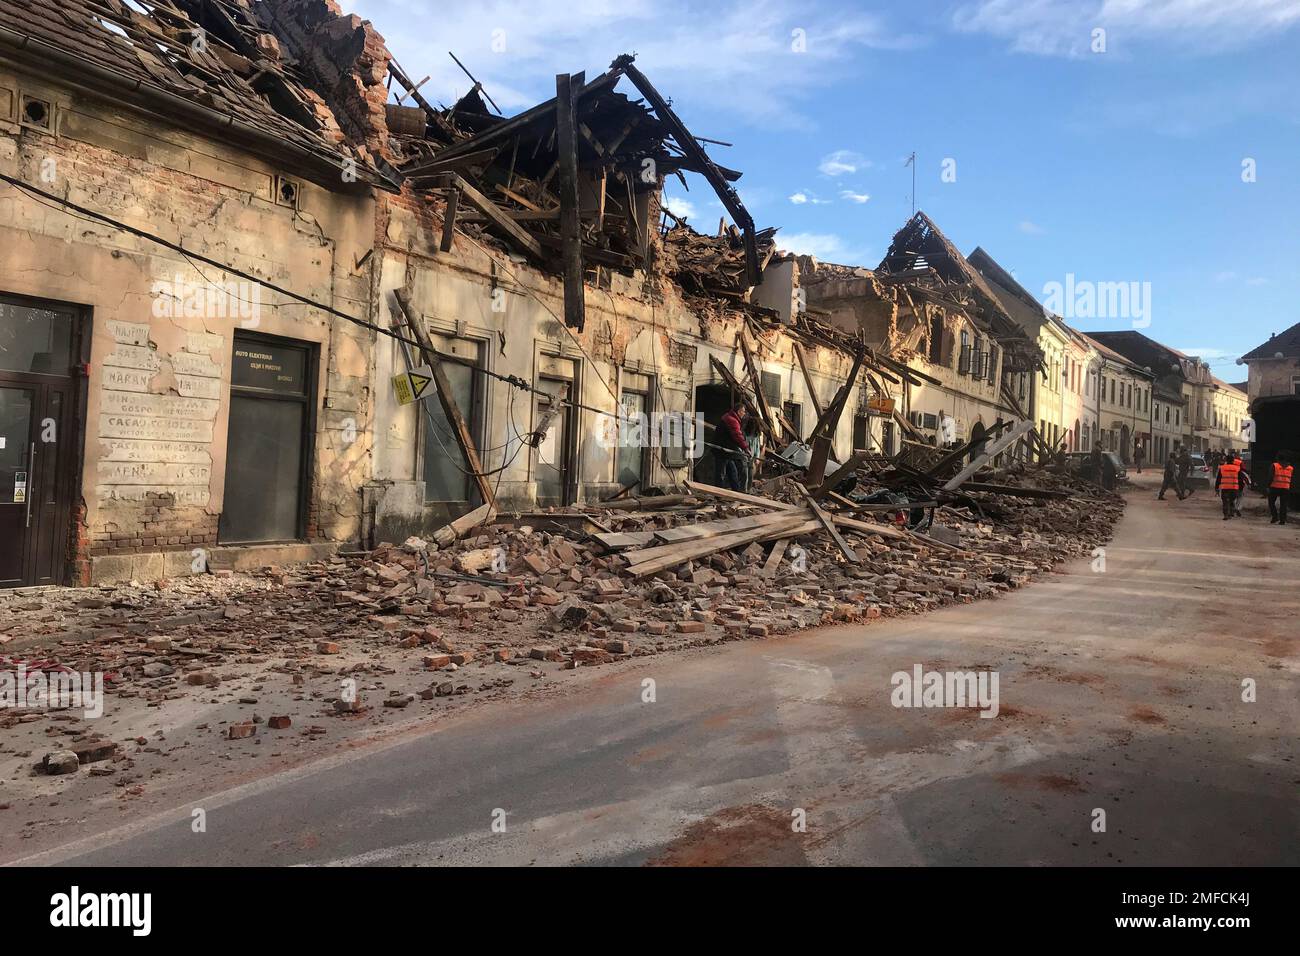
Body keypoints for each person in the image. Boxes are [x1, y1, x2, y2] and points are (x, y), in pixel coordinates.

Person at [716, 404, 750, 492]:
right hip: (721, 450)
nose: (744, 413)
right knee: (721, 474)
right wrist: (746, 448)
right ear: (739, 411)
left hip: (727, 451)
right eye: (743, 411)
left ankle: (736, 493)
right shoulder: (731, 420)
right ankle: (719, 495)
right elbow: (737, 436)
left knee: (732, 472)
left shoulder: (731, 418)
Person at [1215, 450, 1241, 520]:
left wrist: (1216, 488)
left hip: (1225, 488)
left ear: (1226, 460)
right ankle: (1231, 512)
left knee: (1225, 501)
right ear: (1233, 461)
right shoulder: (1237, 468)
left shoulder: (1222, 468)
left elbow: (1218, 479)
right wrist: (1240, 488)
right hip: (1234, 488)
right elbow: (1240, 479)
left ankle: (1226, 515)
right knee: (1231, 501)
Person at [1268, 453, 1293, 525]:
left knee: (1271, 503)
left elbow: (1271, 476)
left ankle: (1275, 516)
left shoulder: (1274, 466)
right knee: (1283, 505)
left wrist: (1268, 486)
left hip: (1274, 487)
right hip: (1285, 488)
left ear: (1278, 458)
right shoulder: (1290, 468)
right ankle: (1282, 520)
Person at [740, 412, 762, 492]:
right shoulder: (744, 434)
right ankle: (743, 490)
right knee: (744, 473)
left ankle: (748, 490)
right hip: (744, 455)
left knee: (750, 474)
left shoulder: (756, 435)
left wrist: (757, 457)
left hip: (752, 457)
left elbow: (757, 447)